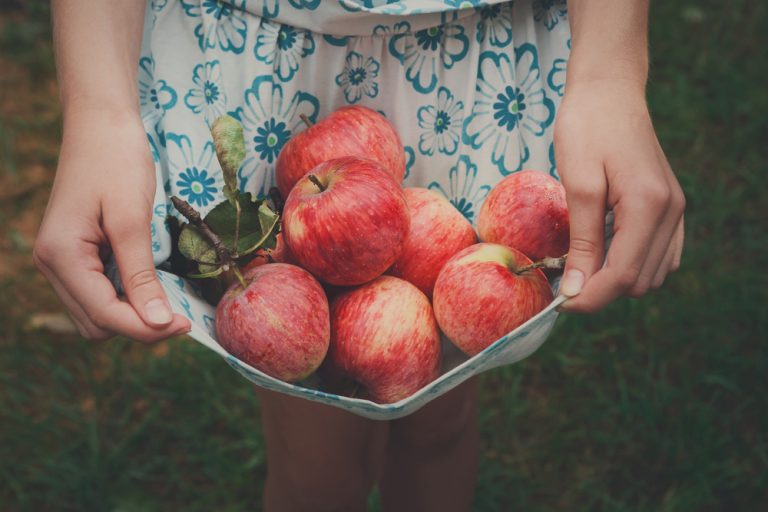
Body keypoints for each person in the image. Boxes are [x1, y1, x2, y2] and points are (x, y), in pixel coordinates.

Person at [34, 0, 685, 510]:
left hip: (472, 57)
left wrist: (611, 73)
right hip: (273, 52)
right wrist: (97, 112)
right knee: (319, 470)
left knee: (442, 423)